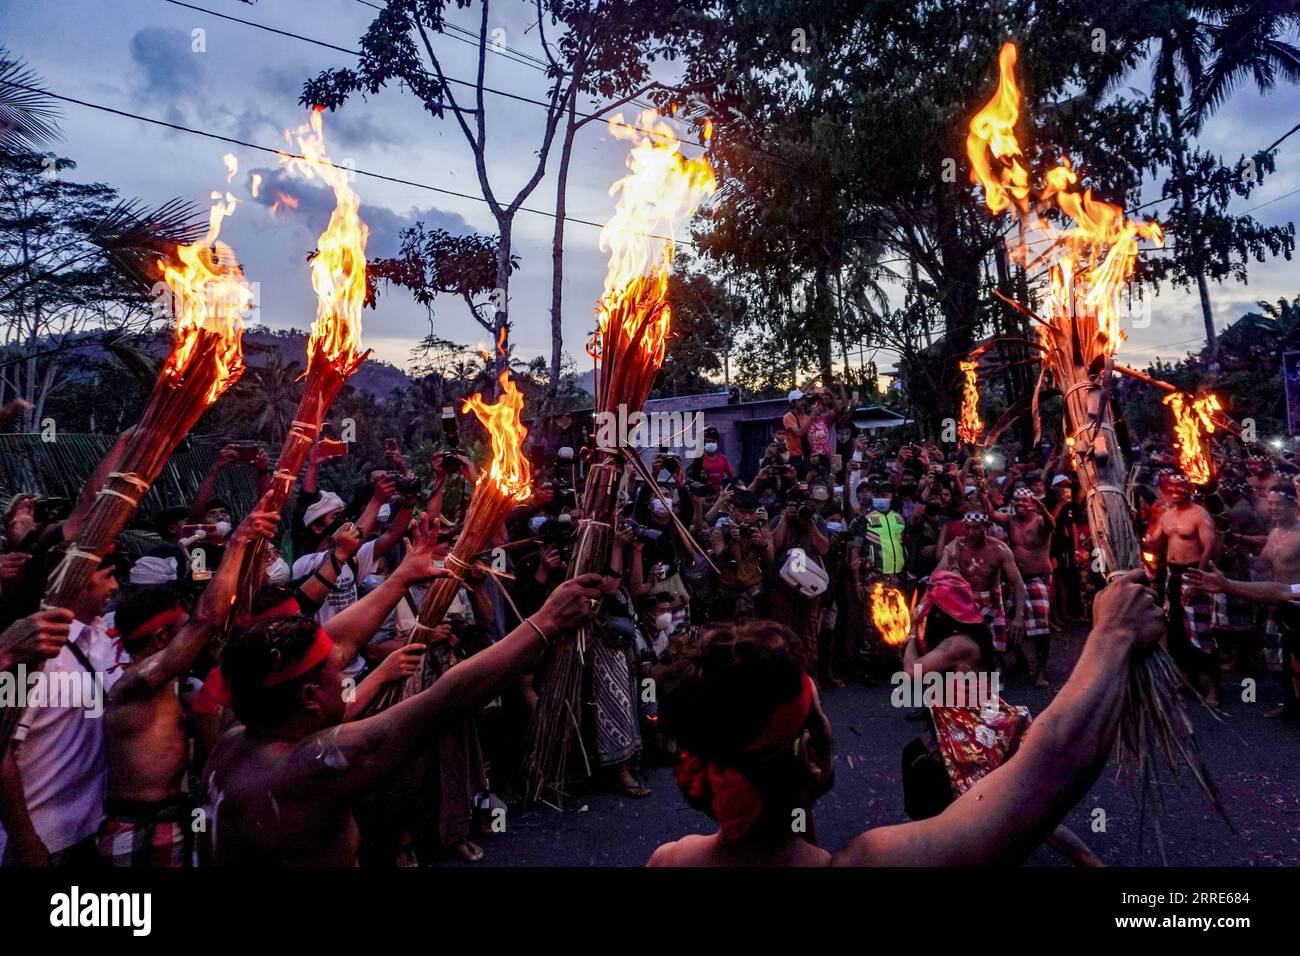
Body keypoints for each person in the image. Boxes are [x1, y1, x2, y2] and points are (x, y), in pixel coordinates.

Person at [648, 571, 1164, 866]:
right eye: (819, 713)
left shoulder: (668, 861)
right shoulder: (875, 864)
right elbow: (1052, 762)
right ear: (810, 752)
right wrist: (1112, 635)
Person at [201, 574, 603, 865]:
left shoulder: (235, 731)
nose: (344, 673)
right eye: (336, 672)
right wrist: (545, 623)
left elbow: (339, 641)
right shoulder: (307, 769)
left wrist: (402, 576)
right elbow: (445, 700)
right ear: (309, 696)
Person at [98, 507, 278, 867]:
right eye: (183, 628)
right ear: (163, 636)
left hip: (175, 817)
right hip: (137, 827)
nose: (191, 635)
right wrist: (238, 542)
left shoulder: (177, 684)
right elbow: (207, 619)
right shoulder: (134, 685)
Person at [897, 570, 1099, 865]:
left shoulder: (956, 645)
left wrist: (912, 631)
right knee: (928, 768)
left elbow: (910, 673)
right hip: (968, 728)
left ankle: (1086, 858)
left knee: (1021, 805)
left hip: (976, 735)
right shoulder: (964, 637)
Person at [0, 548, 128, 866]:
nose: (115, 587)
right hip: (45, 838)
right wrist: (26, 842)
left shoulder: (103, 637)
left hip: (93, 828)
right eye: (107, 575)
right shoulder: (29, 653)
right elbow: (1, 753)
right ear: (77, 580)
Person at [1143, 471, 1220, 706]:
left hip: (1193, 574)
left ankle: (1213, 689)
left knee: (1201, 633)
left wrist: (1200, 580)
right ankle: (1186, 678)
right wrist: (1136, 531)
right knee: (1176, 630)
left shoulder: (1199, 515)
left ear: (1189, 489)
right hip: (1172, 576)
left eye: (1180, 488)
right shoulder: (1166, 515)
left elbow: (1210, 547)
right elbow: (1154, 542)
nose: (1175, 492)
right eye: (1172, 488)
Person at [935, 512, 1027, 668]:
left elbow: (1017, 583)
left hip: (992, 604)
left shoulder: (999, 549)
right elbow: (937, 576)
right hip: (965, 604)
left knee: (996, 652)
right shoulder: (954, 547)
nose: (971, 532)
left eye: (977, 527)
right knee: (969, 651)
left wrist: (1019, 617)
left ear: (987, 527)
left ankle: (996, 687)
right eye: (968, 527)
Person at [987, 487, 1056, 686]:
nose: (1020, 505)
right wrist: (984, 494)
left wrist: (1042, 507)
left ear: (1032, 504)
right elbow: (991, 514)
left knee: (1040, 628)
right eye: (1017, 502)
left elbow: (1052, 524)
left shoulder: (1041, 521)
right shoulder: (1011, 521)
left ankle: (1041, 671)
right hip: (1016, 580)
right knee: (1008, 622)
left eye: (1024, 502)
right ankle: (1020, 660)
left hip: (1037, 579)